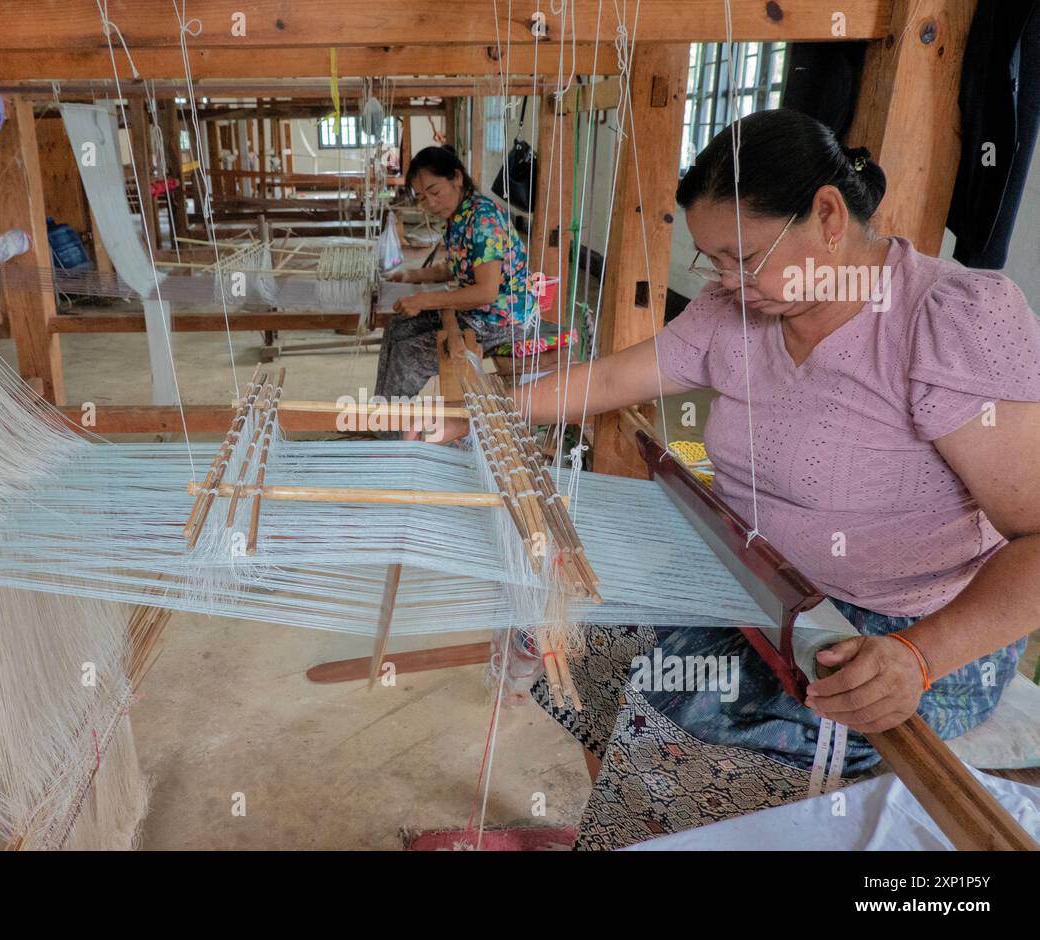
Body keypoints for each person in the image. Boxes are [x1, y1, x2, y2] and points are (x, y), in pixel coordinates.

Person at [512, 108, 1040, 848]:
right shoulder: (733, 312)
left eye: (744, 256)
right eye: (713, 260)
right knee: (587, 637)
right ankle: (626, 828)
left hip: (889, 633)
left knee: (676, 725)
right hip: (751, 576)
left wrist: (918, 657)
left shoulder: (946, 322)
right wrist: (485, 412)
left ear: (827, 214)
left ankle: (651, 826)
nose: (728, 280)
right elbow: (611, 381)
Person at [374, 146, 534, 402]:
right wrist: (412, 276)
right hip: (474, 312)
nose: (430, 203)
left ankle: (393, 432)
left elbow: (486, 292)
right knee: (396, 327)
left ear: (457, 177)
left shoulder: (483, 219)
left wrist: (426, 300)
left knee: (408, 355)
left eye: (434, 191)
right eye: (422, 198)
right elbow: (458, 267)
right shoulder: (459, 215)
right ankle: (383, 416)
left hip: (502, 320)